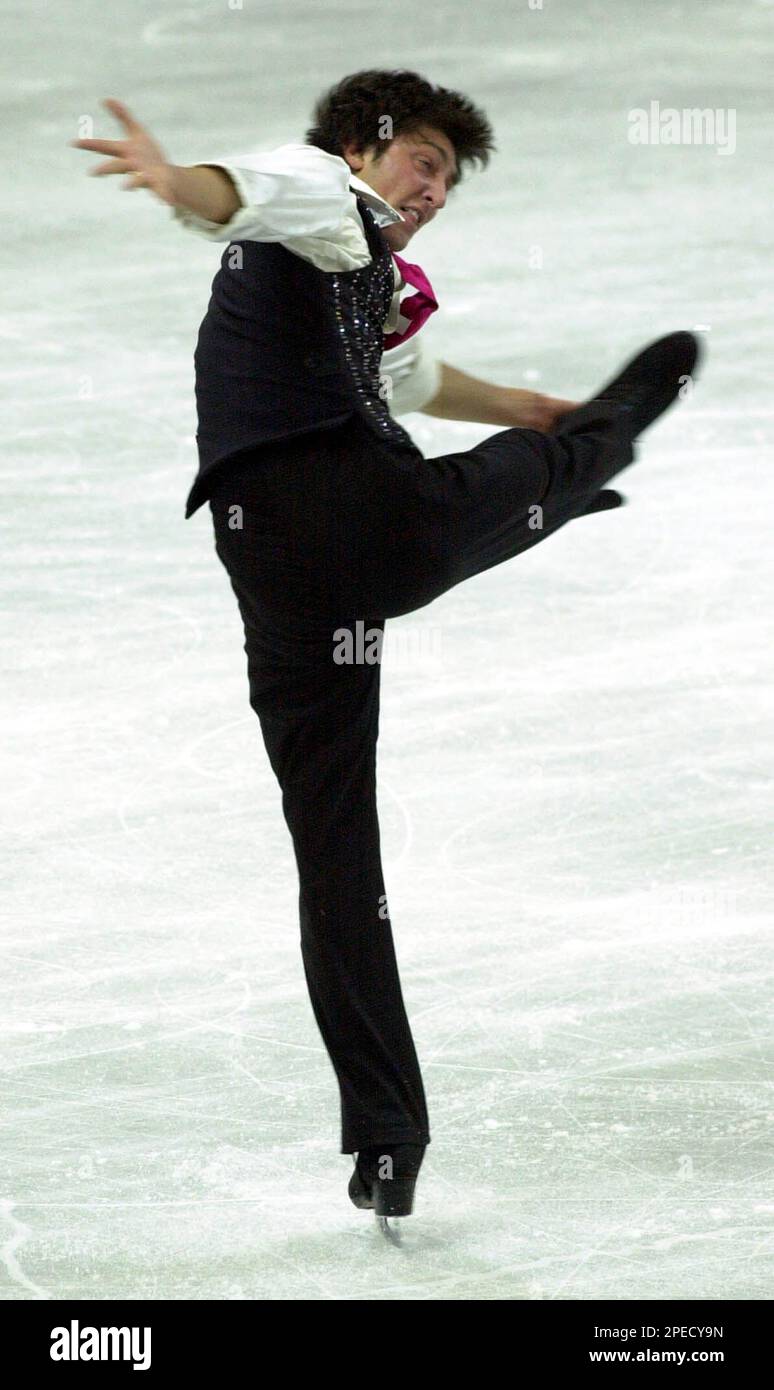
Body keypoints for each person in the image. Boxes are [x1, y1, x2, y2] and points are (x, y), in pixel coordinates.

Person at [72, 71, 700, 1224]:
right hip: (355, 520)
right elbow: (238, 194)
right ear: (365, 145)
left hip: (276, 564)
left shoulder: (356, 274)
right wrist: (175, 182)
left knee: (338, 862)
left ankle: (387, 1136)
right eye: (422, 161)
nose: (434, 190)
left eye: (449, 181)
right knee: (506, 491)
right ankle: (588, 459)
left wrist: (525, 404)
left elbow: (408, 378)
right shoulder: (317, 193)